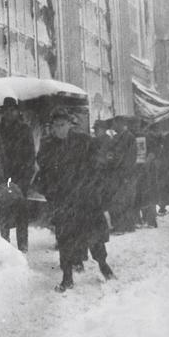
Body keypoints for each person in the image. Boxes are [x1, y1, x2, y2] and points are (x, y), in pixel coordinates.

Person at [46, 109, 115, 293]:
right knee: (65, 239)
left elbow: (98, 166)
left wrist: (91, 187)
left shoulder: (83, 142)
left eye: (62, 125)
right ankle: (67, 277)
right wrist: (51, 194)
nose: (59, 129)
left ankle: (104, 266)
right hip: (63, 201)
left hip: (86, 199)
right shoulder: (48, 146)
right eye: (55, 126)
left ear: (70, 125)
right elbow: (45, 174)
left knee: (94, 236)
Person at [0, 97, 35, 252]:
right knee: (3, 211)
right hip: (4, 176)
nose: (9, 113)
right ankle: (5, 245)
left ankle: (22, 246)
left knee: (21, 212)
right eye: (6, 110)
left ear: (17, 111)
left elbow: (30, 156)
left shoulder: (24, 130)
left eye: (12, 110)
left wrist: (25, 179)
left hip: (20, 175)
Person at [108, 115, 137, 234]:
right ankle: (126, 225)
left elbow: (131, 157)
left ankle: (122, 226)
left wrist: (126, 175)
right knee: (118, 200)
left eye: (115, 123)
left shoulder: (129, 137)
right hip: (116, 173)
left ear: (120, 124)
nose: (113, 126)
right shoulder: (115, 137)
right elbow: (111, 154)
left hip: (125, 174)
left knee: (123, 200)